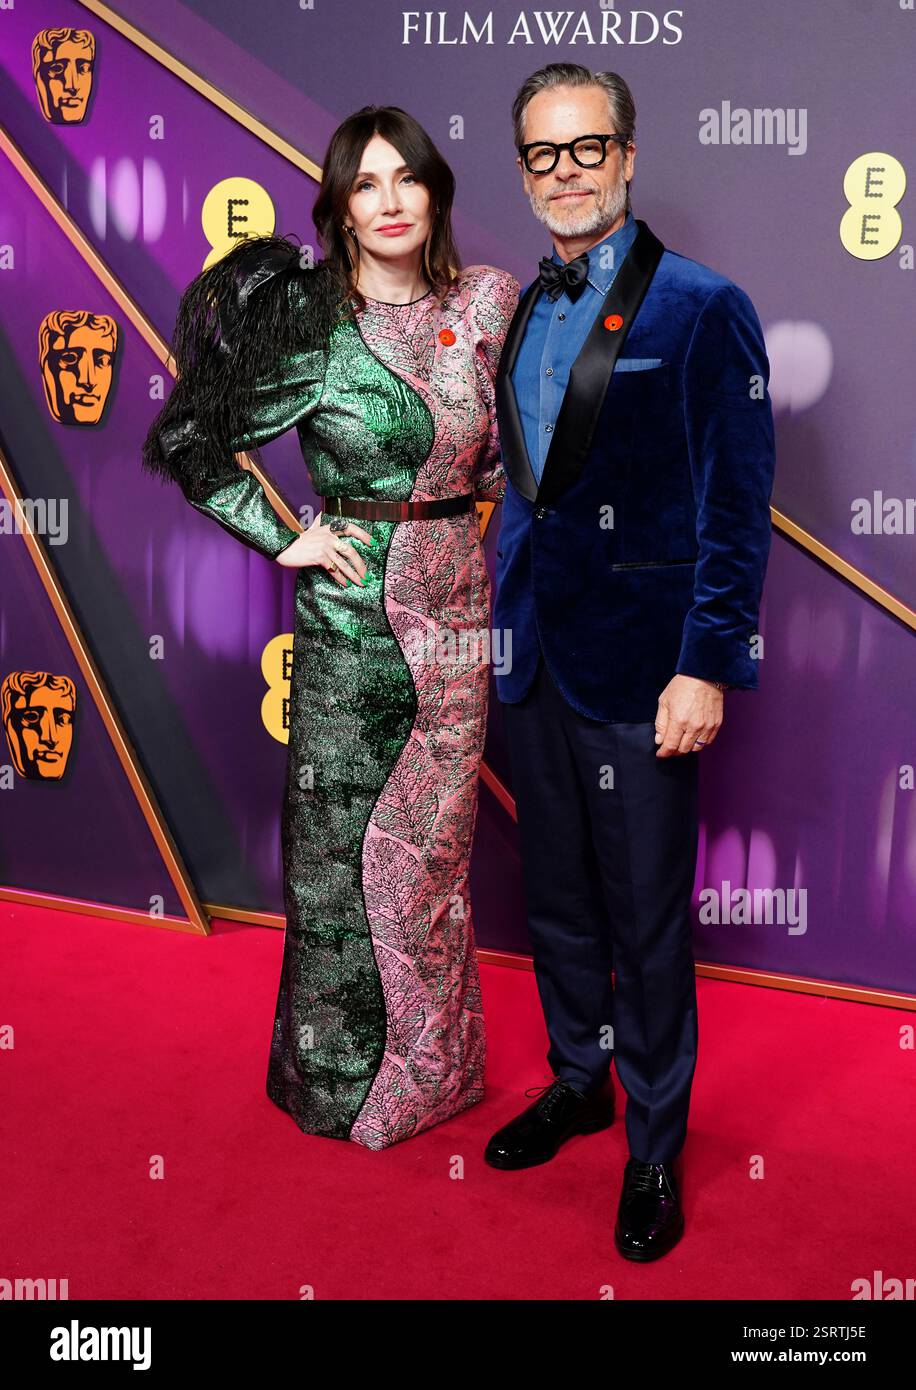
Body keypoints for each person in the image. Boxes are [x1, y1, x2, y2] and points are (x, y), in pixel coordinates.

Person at [142, 106, 519, 1150]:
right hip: (354, 626)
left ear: (435, 192)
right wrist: (285, 536)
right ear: (340, 208)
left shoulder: (486, 303)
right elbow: (190, 437)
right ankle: (346, 1079)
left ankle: (440, 1069)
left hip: (457, 611)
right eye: (366, 183)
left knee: (436, 854)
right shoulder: (315, 328)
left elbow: (504, 459)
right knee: (342, 855)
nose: (391, 200)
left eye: (408, 178)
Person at [485, 63, 775, 1260]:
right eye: (543, 154)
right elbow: (527, 493)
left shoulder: (702, 308)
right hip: (534, 655)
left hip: (646, 671)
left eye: (586, 147)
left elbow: (734, 508)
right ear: (523, 169)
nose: (566, 171)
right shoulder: (516, 307)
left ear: (628, 155)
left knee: (646, 920)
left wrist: (705, 663)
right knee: (553, 897)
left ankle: (653, 1141)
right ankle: (580, 1077)